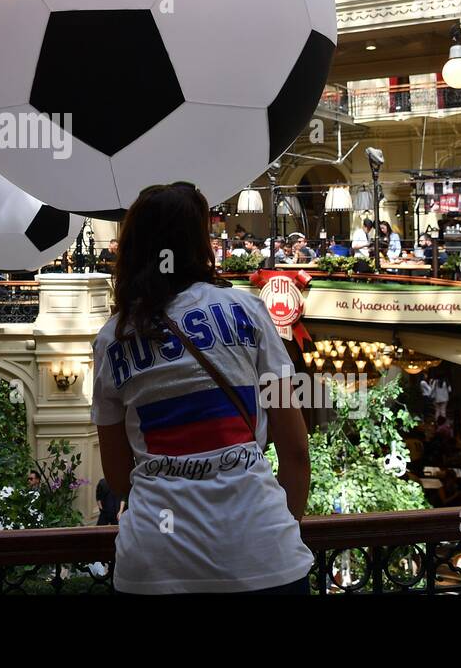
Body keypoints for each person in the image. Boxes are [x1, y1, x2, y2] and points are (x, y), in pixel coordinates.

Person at [92, 182, 312, 594]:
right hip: (262, 557)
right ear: (200, 244)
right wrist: (277, 532)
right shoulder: (249, 311)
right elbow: (296, 452)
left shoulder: (111, 340)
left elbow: (120, 476)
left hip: (155, 566)